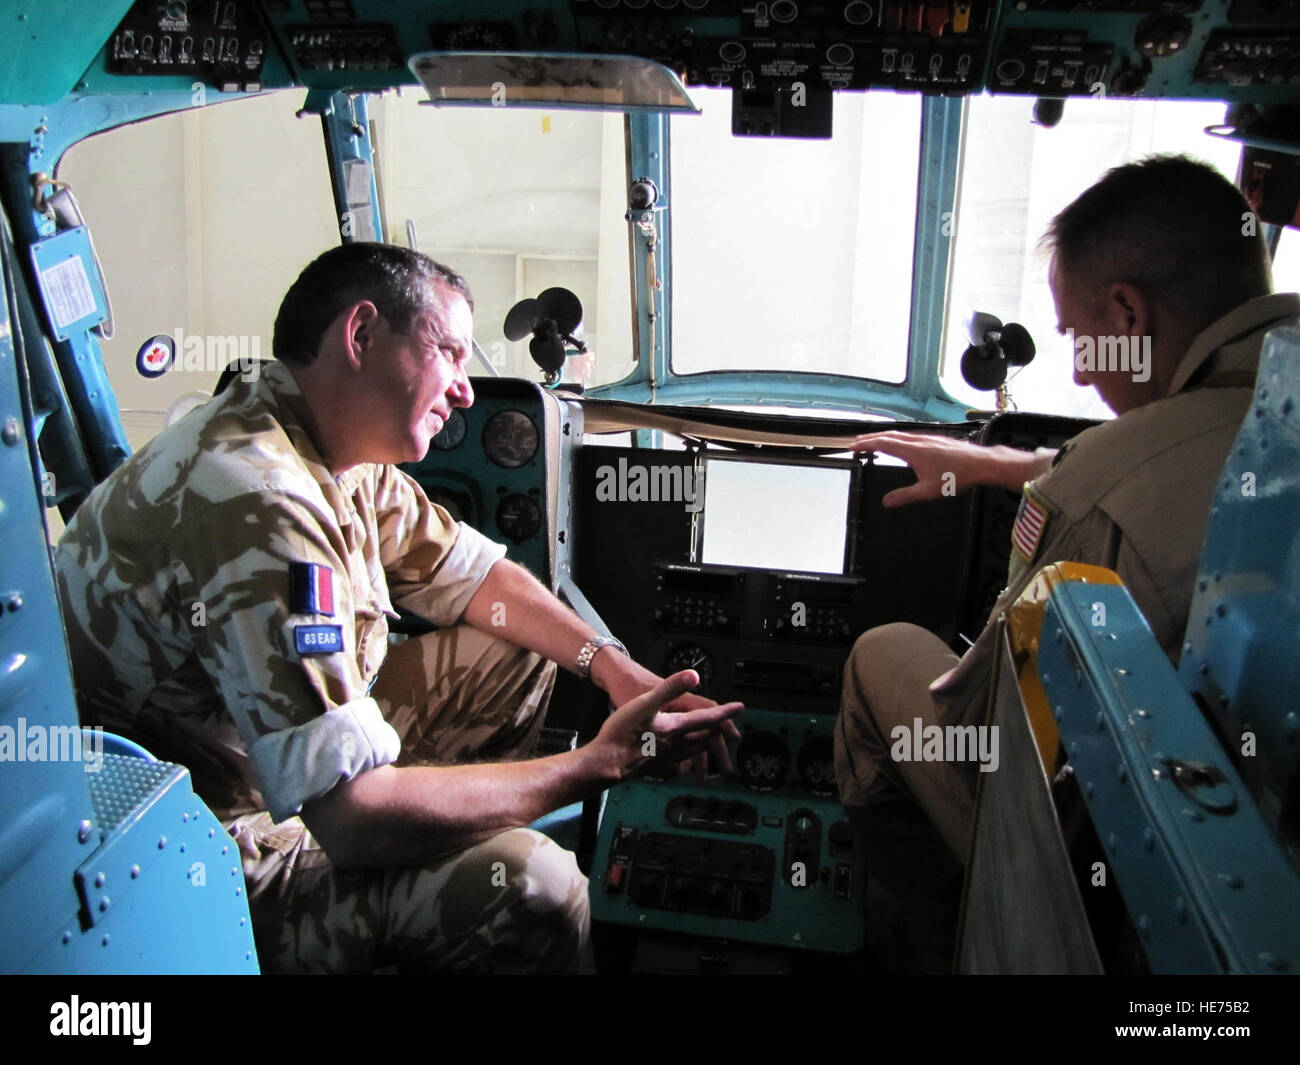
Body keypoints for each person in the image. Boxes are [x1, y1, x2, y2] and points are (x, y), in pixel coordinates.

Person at [55, 242, 741, 974]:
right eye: (448, 351)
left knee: (522, 649)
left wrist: (607, 665)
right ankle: (425, 882)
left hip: (269, 766)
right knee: (534, 885)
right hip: (200, 854)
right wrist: (595, 763)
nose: (467, 391)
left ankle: (425, 834)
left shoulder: (329, 447)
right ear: (361, 336)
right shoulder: (256, 494)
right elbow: (350, 819)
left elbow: (482, 582)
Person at [832, 154, 1300, 971]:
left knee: (883, 659)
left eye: (1080, 340)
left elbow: (983, 729)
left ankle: (939, 938)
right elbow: (1200, 440)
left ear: (1127, 314)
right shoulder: (1270, 410)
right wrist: (1009, 466)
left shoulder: (1101, 489)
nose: (1081, 371)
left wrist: (1075, 477)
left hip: (1124, 888)